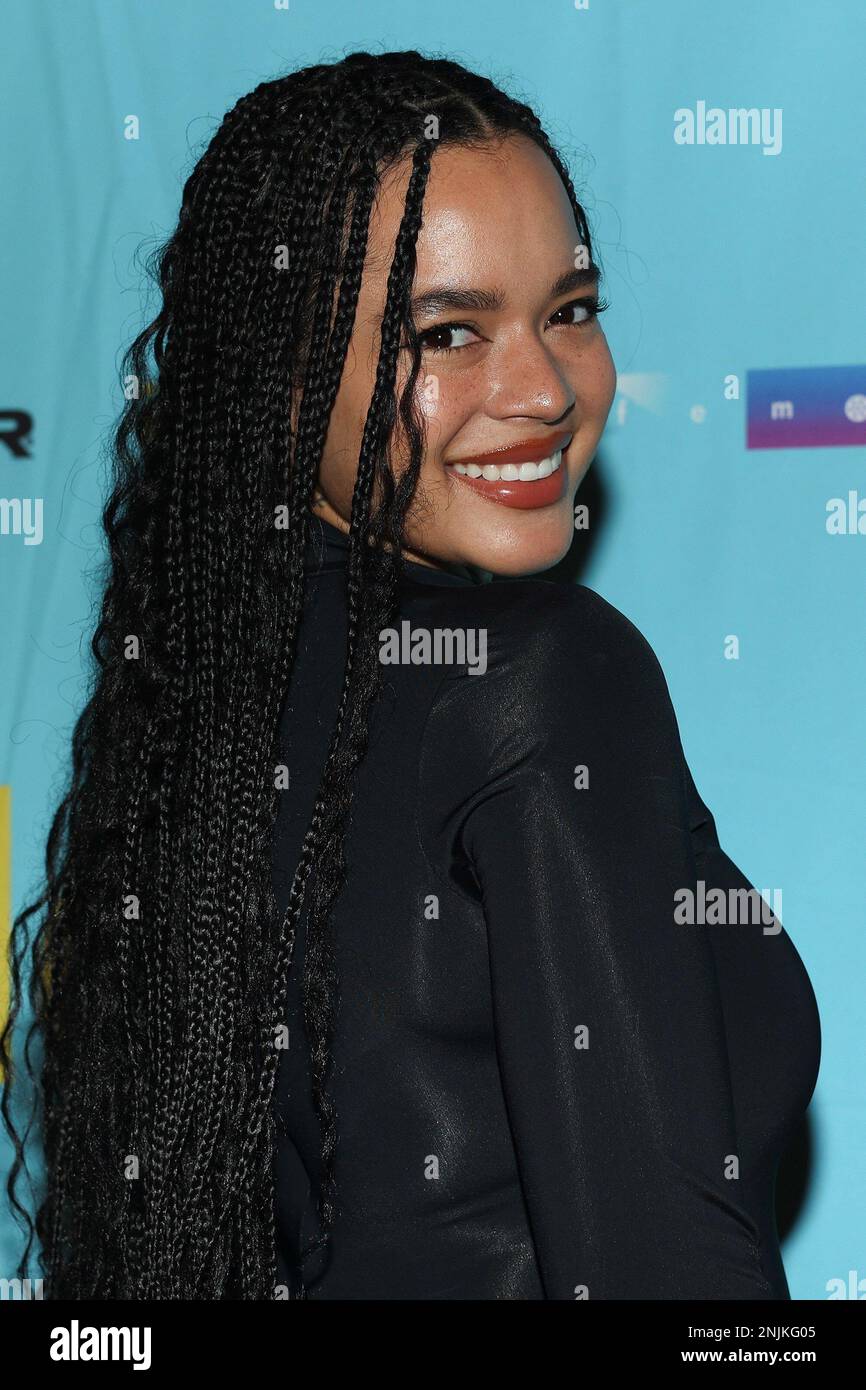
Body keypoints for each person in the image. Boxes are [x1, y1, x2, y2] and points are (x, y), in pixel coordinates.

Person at [1, 50, 820, 1301]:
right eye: (446, 332)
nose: (541, 390)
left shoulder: (218, 705)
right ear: (278, 375)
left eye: (568, 310)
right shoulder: (544, 681)